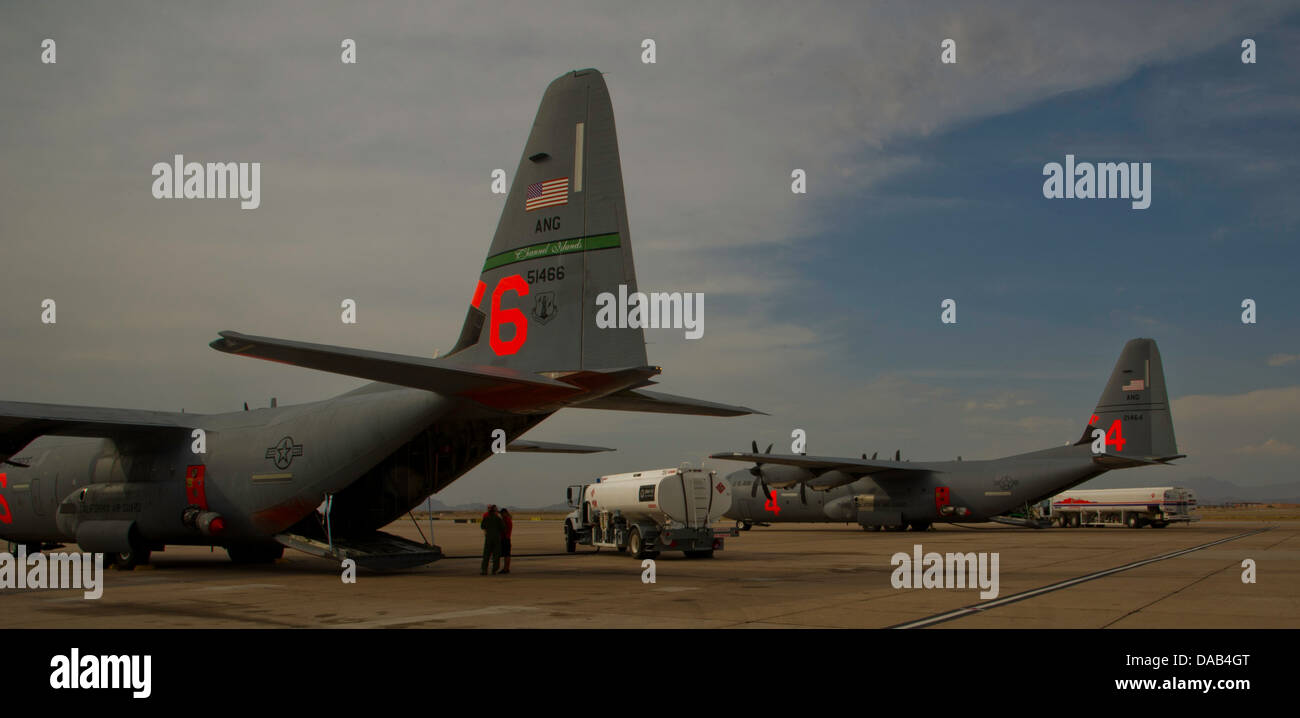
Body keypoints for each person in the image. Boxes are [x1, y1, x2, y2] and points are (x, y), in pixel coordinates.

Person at [480, 504, 504, 575]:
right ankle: (495, 569)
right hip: (496, 538)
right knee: (496, 554)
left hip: (488, 538)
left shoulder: (486, 518)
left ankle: (484, 570)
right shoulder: (498, 518)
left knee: (486, 554)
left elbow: (482, 526)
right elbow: (503, 528)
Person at [499, 508, 513, 574]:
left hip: (505, 539)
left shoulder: (506, 520)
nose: (501, 515)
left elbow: (505, 530)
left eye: (501, 514)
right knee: (506, 555)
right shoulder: (508, 519)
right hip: (506, 538)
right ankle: (506, 568)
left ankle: (506, 568)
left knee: (506, 555)